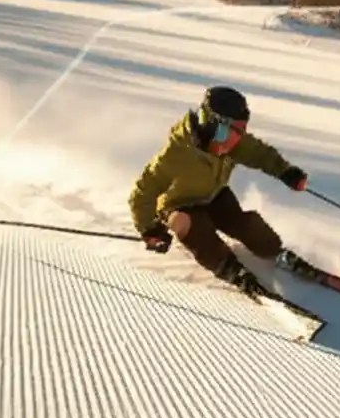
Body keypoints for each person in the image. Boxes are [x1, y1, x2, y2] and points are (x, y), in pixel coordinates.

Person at [129, 86, 308, 296]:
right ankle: (228, 267)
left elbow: (260, 154)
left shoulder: (233, 144)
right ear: (211, 124)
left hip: (213, 195)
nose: (233, 140)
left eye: (239, 132)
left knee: (242, 222)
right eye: (228, 132)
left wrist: (285, 171)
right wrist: (150, 229)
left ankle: (275, 252)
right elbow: (143, 192)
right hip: (179, 205)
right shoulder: (177, 154)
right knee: (194, 226)